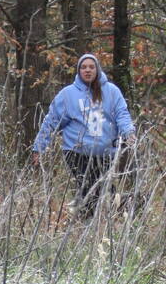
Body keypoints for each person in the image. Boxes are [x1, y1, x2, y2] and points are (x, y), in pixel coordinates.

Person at [32, 53, 135, 217]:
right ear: (78, 71)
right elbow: (51, 121)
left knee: (103, 189)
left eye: (91, 67)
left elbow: (121, 114)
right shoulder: (67, 95)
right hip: (76, 152)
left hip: (106, 152)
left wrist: (128, 132)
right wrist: (39, 147)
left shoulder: (112, 91)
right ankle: (87, 222)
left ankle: (118, 210)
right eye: (84, 67)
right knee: (89, 186)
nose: (88, 70)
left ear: (97, 69)